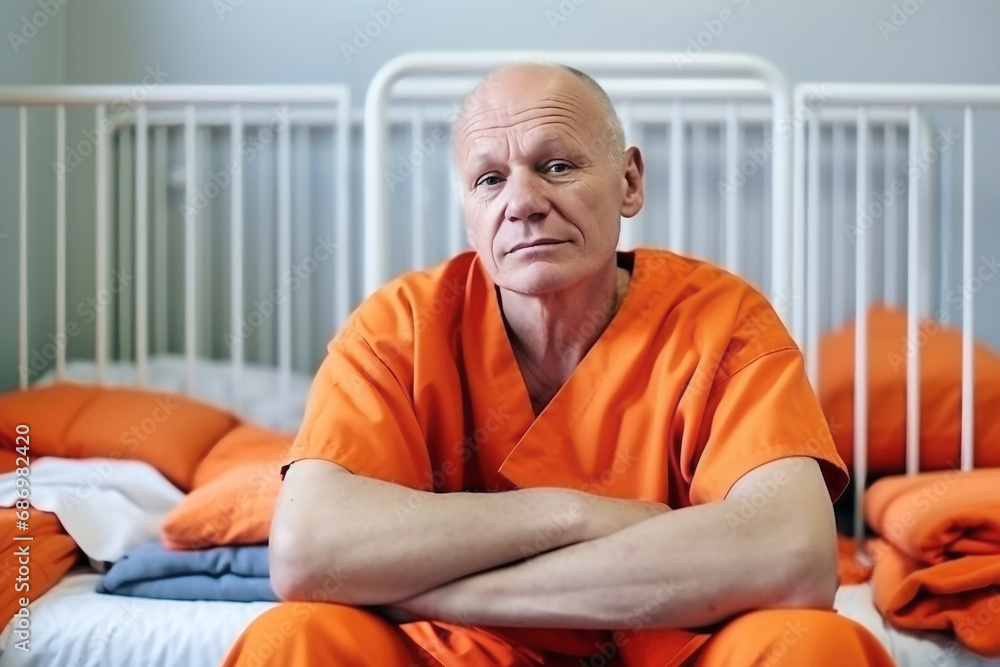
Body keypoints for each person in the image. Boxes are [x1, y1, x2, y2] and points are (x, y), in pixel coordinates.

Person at [221, 62, 896, 667]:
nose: (522, 202)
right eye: (490, 179)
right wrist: (572, 515)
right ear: (468, 212)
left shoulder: (720, 321)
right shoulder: (401, 325)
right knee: (292, 640)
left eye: (556, 167)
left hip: (671, 642)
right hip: (455, 652)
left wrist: (451, 589)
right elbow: (306, 550)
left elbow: (795, 554)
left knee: (821, 647)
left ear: (629, 181)